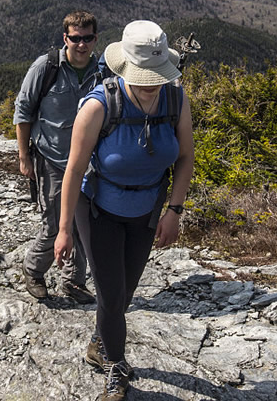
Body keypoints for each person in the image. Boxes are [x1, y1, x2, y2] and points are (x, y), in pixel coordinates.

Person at [54, 20, 194, 401]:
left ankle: (101, 340)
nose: (151, 82)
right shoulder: (100, 105)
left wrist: (174, 211)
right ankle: (115, 366)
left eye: (156, 74)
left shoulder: (176, 99)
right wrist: (64, 229)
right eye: (143, 75)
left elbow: (184, 159)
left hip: (146, 210)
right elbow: (75, 169)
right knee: (112, 297)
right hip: (98, 208)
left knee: (125, 292)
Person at [14, 10, 101, 304]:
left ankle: (74, 282)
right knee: (54, 224)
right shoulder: (46, 66)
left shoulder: (102, 72)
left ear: (95, 39)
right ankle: (33, 270)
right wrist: (24, 156)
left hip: (87, 164)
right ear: (65, 38)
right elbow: (23, 111)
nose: (81, 44)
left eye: (87, 38)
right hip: (51, 158)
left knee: (82, 223)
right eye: (75, 38)